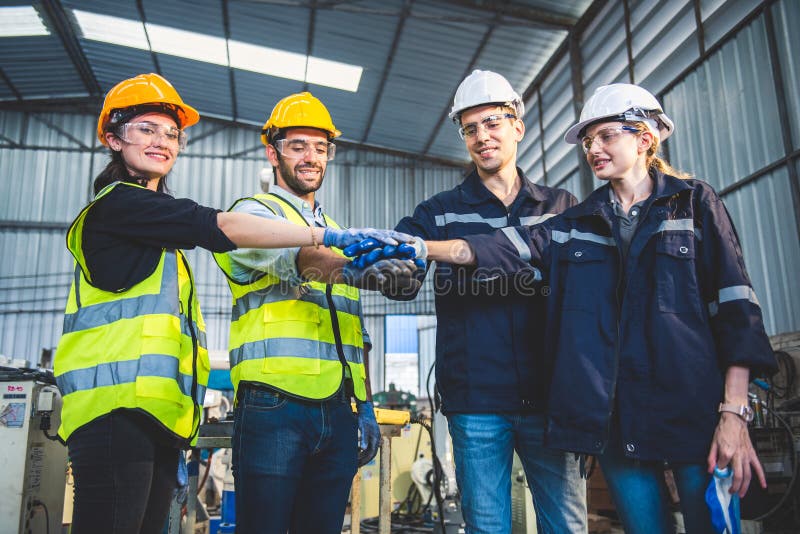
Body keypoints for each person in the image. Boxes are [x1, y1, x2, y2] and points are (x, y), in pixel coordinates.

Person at [401, 83, 778, 533]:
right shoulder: (576, 222)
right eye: (587, 141)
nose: (593, 149)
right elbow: (499, 248)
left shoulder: (694, 203)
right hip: (619, 420)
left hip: (692, 411)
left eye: (606, 136)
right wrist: (419, 246)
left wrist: (734, 413)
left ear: (645, 138)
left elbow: (737, 308)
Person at [53, 74, 409, 534]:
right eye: (146, 129)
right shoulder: (119, 206)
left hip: (156, 419)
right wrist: (332, 241)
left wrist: (360, 402)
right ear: (112, 138)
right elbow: (216, 226)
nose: (162, 141)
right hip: (118, 413)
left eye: (171, 133)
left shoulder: (154, 231)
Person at [384, 70, 587, 534]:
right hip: (475, 402)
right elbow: (403, 275)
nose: (482, 137)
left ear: (518, 126)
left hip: (551, 398)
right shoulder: (438, 212)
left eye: (492, 123)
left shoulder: (559, 205)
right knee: (486, 527)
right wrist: (381, 264)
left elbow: (580, 291)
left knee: (567, 527)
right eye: (470, 128)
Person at [212, 92, 415, 534]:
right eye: (298, 145)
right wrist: (365, 270)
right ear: (273, 152)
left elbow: (354, 332)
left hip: (338, 408)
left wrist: (363, 404)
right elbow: (306, 259)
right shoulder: (252, 213)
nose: (311, 157)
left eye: (320, 148)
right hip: (274, 404)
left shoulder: (339, 230)